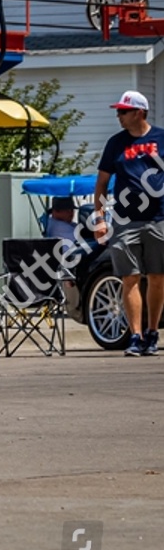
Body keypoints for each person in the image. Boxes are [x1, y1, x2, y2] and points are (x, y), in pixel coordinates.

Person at [93, 90, 164, 356]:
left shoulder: (161, 139)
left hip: (159, 217)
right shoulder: (115, 144)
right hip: (124, 219)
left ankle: (152, 332)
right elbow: (101, 183)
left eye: (123, 111)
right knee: (129, 277)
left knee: (157, 277)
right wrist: (99, 217)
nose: (118, 116)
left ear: (139, 113)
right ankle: (135, 335)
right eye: (118, 111)